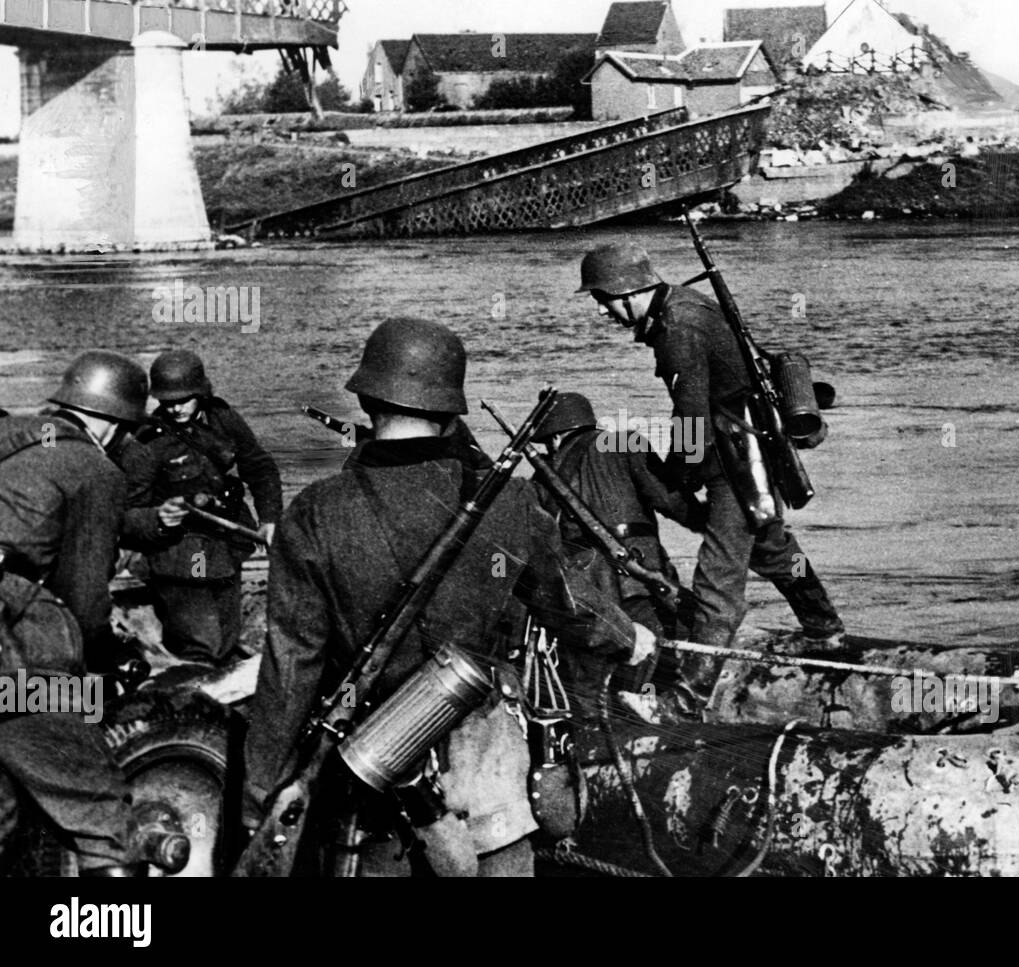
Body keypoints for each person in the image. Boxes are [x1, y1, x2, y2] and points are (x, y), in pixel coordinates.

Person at [242, 317, 653, 877]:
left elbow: (291, 667)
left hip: (371, 776)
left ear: (365, 399)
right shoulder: (511, 503)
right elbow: (571, 607)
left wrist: (262, 791)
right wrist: (631, 639)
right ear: (450, 411)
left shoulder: (315, 511)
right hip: (488, 773)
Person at [576, 240, 846, 716]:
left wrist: (679, 475)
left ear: (626, 293)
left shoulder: (677, 327)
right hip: (746, 449)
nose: (602, 313)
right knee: (772, 548)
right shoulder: (686, 304)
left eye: (602, 301)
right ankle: (826, 630)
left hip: (735, 459)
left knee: (717, 582)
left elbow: (692, 416)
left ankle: (687, 697)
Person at [0, 352, 179, 876]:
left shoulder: (14, 438)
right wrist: (109, 668)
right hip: (10, 655)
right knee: (107, 823)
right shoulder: (95, 469)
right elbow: (83, 602)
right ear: (115, 424)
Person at [534, 391, 703, 717]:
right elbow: (671, 502)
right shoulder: (624, 442)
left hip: (591, 598)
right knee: (683, 643)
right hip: (647, 579)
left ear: (555, 437)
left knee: (601, 681)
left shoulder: (543, 476)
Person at [121, 350, 282, 665]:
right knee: (202, 645)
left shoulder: (223, 419)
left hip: (227, 546)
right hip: (179, 554)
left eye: (184, 399)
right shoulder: (148, 442)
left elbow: (260, 468)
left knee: (226, 638)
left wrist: (270, 518)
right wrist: (160, 517)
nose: (176, 407)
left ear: (201, 392)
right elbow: (130, 512)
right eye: (168, 401)